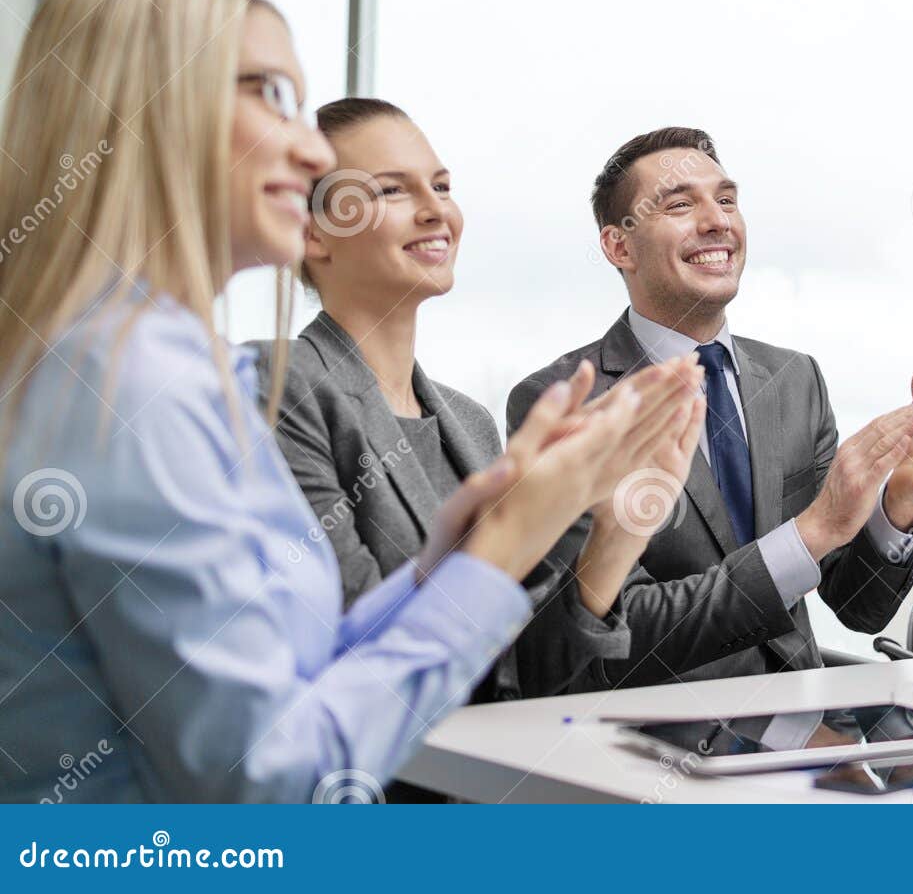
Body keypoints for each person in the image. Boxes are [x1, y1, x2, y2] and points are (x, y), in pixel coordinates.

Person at [0, 0, 688, 802]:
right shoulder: (130, 383)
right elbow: (268, 782)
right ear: (142, 116)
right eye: (267, 94)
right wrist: (505, 547)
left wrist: (456, 562)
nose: (312, 148)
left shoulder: (168, 365)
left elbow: (290, 674)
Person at [260, 98, 698, 705]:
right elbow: (358, 651)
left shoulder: (468, 422)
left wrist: (617, 529)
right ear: (313, 234)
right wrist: (533, 509)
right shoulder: (279, 385)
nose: (436, 209)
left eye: (441, 185)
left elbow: (528, 675)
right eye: (392, 190)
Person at [506, 127, 913, 689]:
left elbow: (859, 609)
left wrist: (899, 503)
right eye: (681, 205)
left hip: (803, 727)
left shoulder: (794, 378)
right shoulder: (563, 402)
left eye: (726, 199)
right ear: (619, 246)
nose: (717, 221)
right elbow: (611, 637)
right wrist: (812, 530)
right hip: (654, 736)